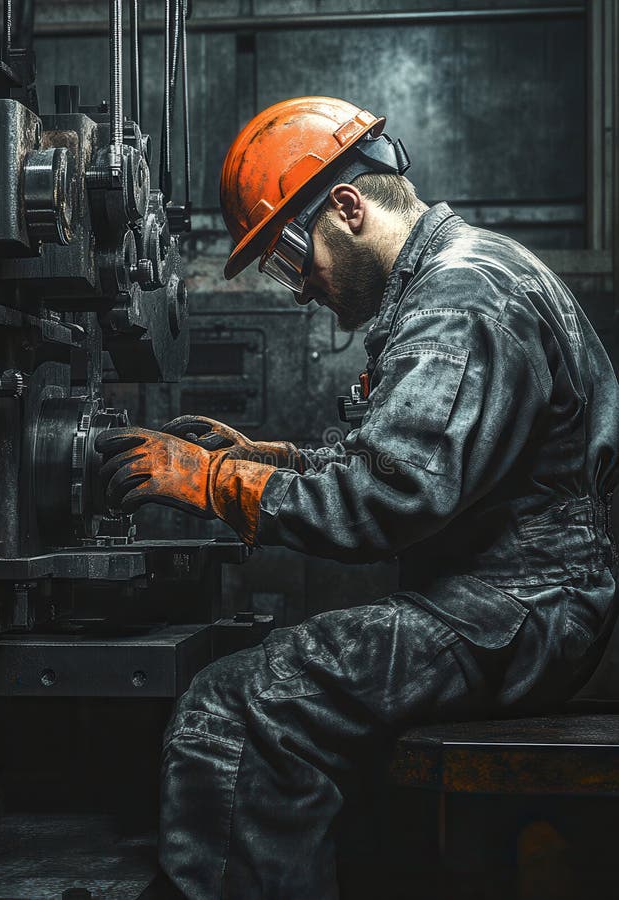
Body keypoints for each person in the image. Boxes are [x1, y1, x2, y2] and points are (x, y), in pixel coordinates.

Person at [96, 97, 619, 899]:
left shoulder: (462, 299)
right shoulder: (462, 279)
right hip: (523, 602)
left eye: (289, 256)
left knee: (236, 708)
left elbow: (389, 499)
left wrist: (210, 482)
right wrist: (279, 459)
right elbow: (424, 465)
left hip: (518, 612)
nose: (300, 288)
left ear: (346, 207)